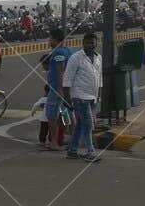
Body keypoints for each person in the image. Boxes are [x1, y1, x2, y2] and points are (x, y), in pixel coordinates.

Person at [61, 29, 102, 161]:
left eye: (94, 43)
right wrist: (68, 100)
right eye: (89, 43)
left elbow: (99, 79)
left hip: (91, 97)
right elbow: (67, 80)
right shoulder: (75, 58)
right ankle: (90, 152)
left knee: (80, 124)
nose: (92, 46)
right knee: (88, 124)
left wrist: (98, 96)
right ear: (83, 43)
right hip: (79, 97)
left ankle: (72, 150)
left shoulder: (98, 58)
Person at [37, 27, 71, 150]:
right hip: (65, 87)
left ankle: (54, 142)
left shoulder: (58, 53)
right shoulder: (67, 51)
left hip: (56, 88)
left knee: (52, 116)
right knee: (65, 113)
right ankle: (69, 139)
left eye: (50, 39)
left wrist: (59, 89)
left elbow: (60, 71)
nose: (49, 41)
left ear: (56, 40)